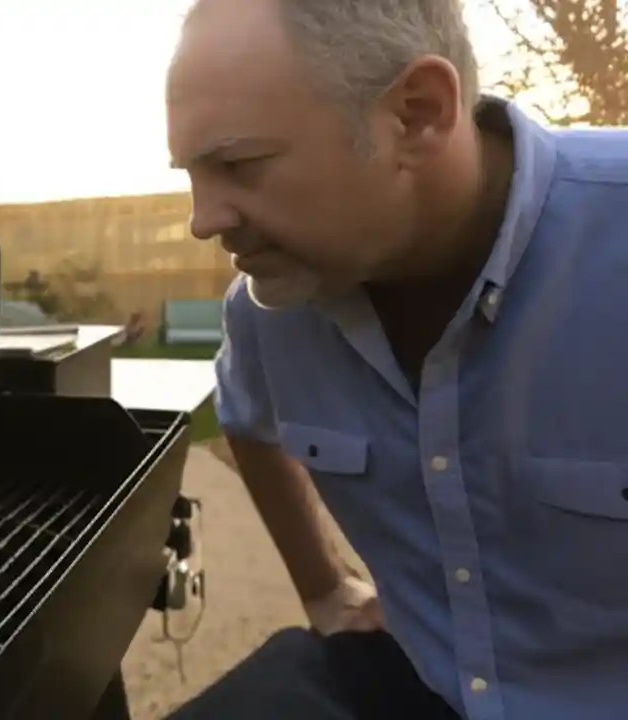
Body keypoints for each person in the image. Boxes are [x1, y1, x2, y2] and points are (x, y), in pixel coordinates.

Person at [164, 1, 628, 719]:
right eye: (193, 172)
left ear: (418, 113)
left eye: (238, 164)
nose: (203, 220)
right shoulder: (268, 311)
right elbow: (245, 419)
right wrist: (322, 586)